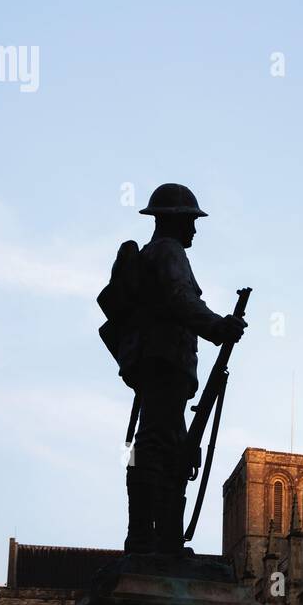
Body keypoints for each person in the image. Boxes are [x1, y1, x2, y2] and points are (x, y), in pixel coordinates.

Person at [125, 183, 246, 554]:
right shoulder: (169, 253)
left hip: (163, 366)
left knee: (173, 451)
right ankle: (150, 539)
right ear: (175, 221)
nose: (194, 229)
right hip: (165, 365)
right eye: (191, 221)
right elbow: (180, 301)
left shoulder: (158, 254)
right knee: (158, 447)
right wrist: (218, 327)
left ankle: (163, 539)